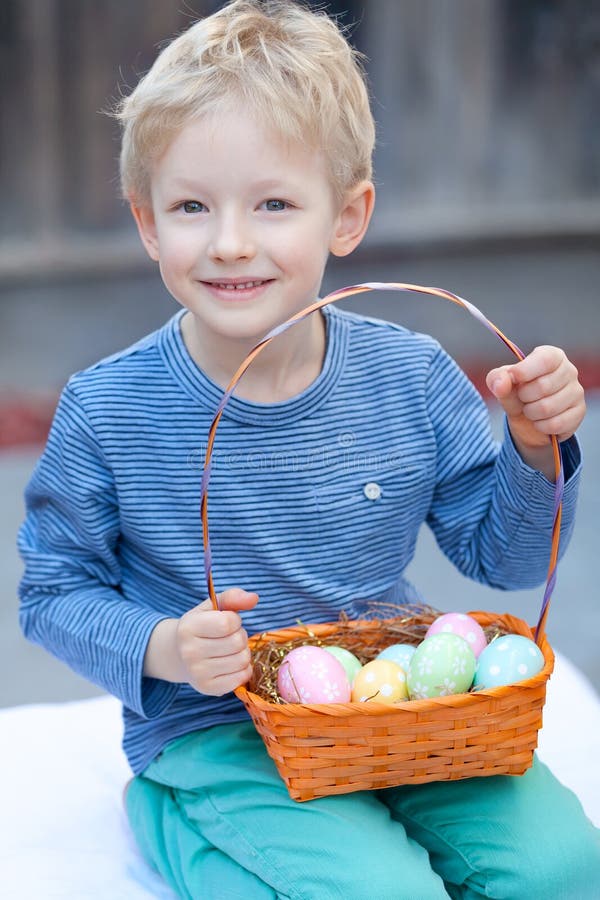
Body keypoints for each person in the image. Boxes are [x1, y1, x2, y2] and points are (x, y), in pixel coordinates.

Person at [18, 1, 598, 897]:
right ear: (146, 223)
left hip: (389, 701)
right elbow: (53, 592)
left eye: (275, 203)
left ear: (348, 216)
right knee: (385, 894)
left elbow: (506, 559)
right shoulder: (108, 408)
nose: (231, 242)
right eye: (190, 207)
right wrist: (166, 649)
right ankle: (174, 817)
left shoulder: (411, 374)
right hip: (217, 729)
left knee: (564, 869)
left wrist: (533, 451)